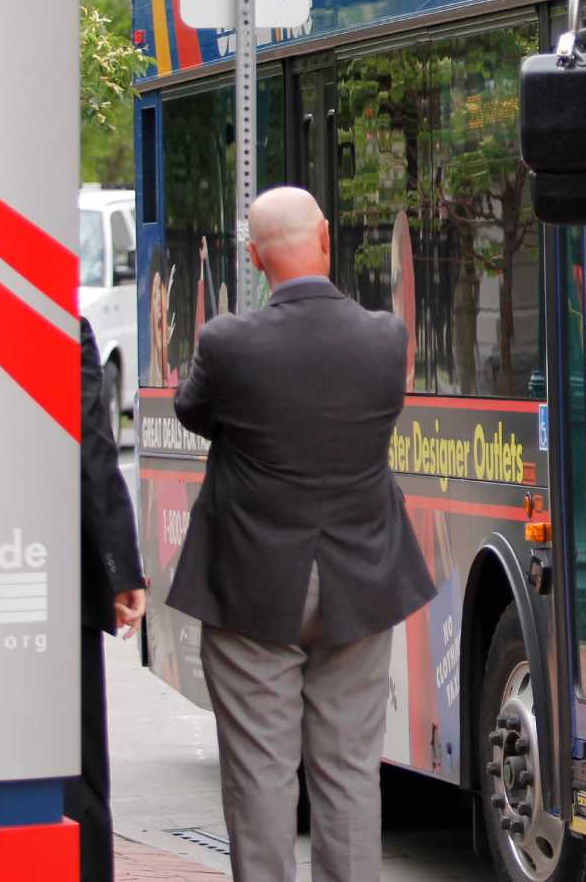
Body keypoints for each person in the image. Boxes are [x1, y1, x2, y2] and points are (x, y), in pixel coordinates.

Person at [167, 187, 433, 882]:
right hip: (360, 580)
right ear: (325, 240)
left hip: (252, 585)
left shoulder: (227, 343)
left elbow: (194, 411)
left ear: (255, 259)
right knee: (349, 770)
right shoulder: (385, 339)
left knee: (260, 773)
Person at [68, 317, 147, 882]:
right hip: (53, 581)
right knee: (78, 765)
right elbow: (91, 452)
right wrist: (120, 568)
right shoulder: (61, 328)